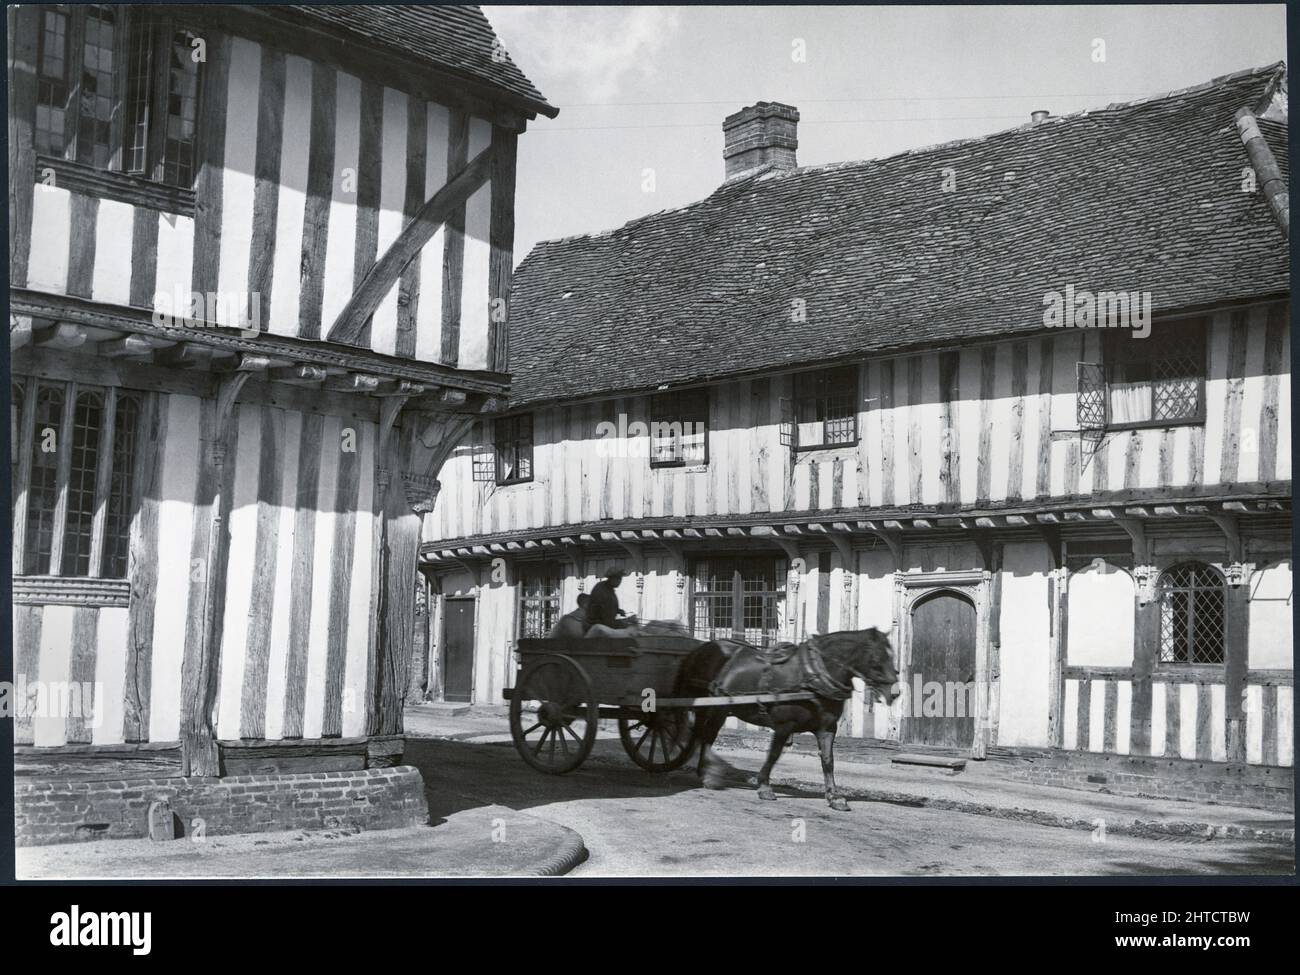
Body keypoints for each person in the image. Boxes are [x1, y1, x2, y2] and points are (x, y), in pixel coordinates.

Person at [587, 567, 635, 634]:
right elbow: (599, 610)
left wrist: (618, 610)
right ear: (610, 578)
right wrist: (620, 622)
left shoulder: (610, 590)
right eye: (617, 578)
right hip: (598, 625)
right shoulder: (600, 589)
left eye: (620, 579)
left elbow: (609, 605)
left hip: (607, 623)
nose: (619, 581)